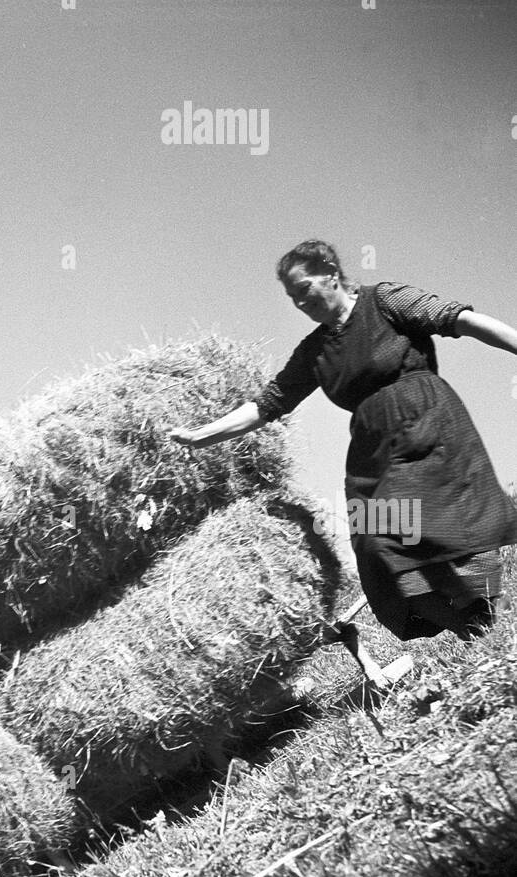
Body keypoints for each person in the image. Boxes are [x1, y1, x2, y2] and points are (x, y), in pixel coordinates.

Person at [169, 239, 517, 642]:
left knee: (435, 527)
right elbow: (269, 403)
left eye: (304, 289)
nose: (300, 302)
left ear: (331, 274)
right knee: (374, 544)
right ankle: (474, 631)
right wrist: (202, 436)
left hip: (426, 426)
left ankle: (490, 621)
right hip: (371, 451)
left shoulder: (383, 301)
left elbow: (458, 320)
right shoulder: (315, 350)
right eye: (292, 297)